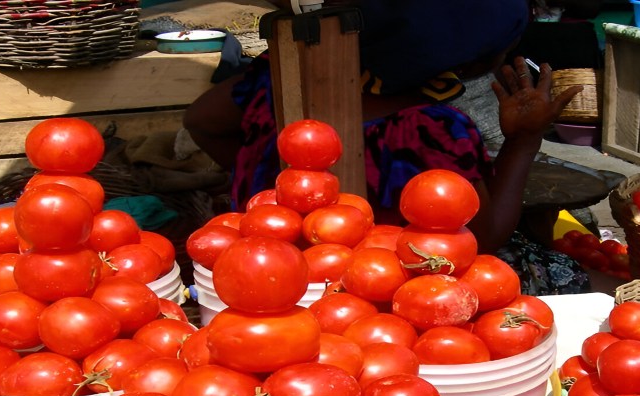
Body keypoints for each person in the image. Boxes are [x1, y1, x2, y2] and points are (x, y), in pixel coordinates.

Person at [183, 0, 591, 294]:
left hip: (264, 268)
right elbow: (480, 239)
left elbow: (201, 121)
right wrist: (523, 140)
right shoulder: (432, 129)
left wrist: (268, 183)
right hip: (381, 284)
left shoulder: (272, 82)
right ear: (468, 68)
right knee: (564, 270)